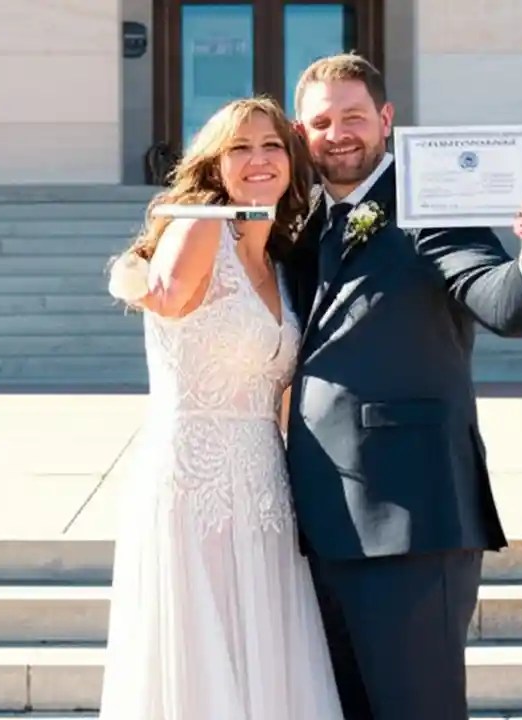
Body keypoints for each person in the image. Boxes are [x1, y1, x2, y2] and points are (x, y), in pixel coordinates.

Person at [283, 53, 522, 720]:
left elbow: (498, 298)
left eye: (353, 116)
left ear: (386, 119)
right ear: (303, 135)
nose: (339, 132)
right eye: (322, 121)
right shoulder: (301, 224)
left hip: (410, 515)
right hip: (319, 521)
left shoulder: (432, 203)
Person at [100, 96, 345, 720]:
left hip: (265, 480)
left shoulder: (283, 261)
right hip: (193, 476)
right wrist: (127, 273)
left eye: (270, 146)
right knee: (201, 647)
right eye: (240, 147)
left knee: (265, 644)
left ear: (292, 160)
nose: (258, 159)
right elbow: (171, 297)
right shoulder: (202, 224)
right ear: (217, 164)